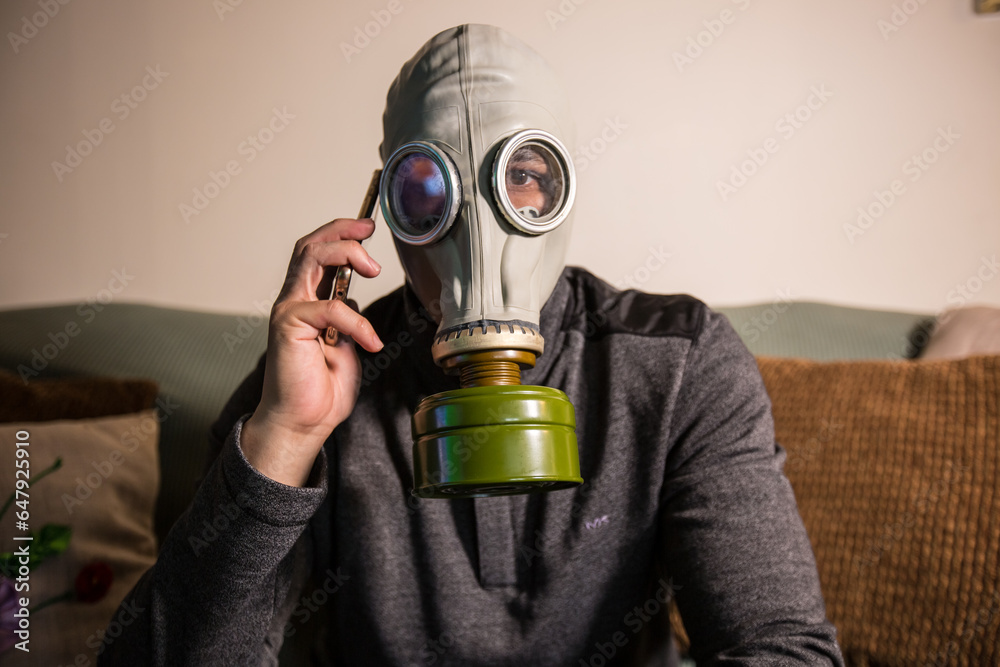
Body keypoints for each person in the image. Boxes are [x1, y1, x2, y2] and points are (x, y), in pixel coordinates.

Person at [101, 24, 844, 666]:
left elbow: (780, 644)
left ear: (562, 189)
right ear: (385, 208)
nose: (477, 228)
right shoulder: (316, 379)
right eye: (429, 188)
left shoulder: (677, 364)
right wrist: (281, 440)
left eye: (522, 175)